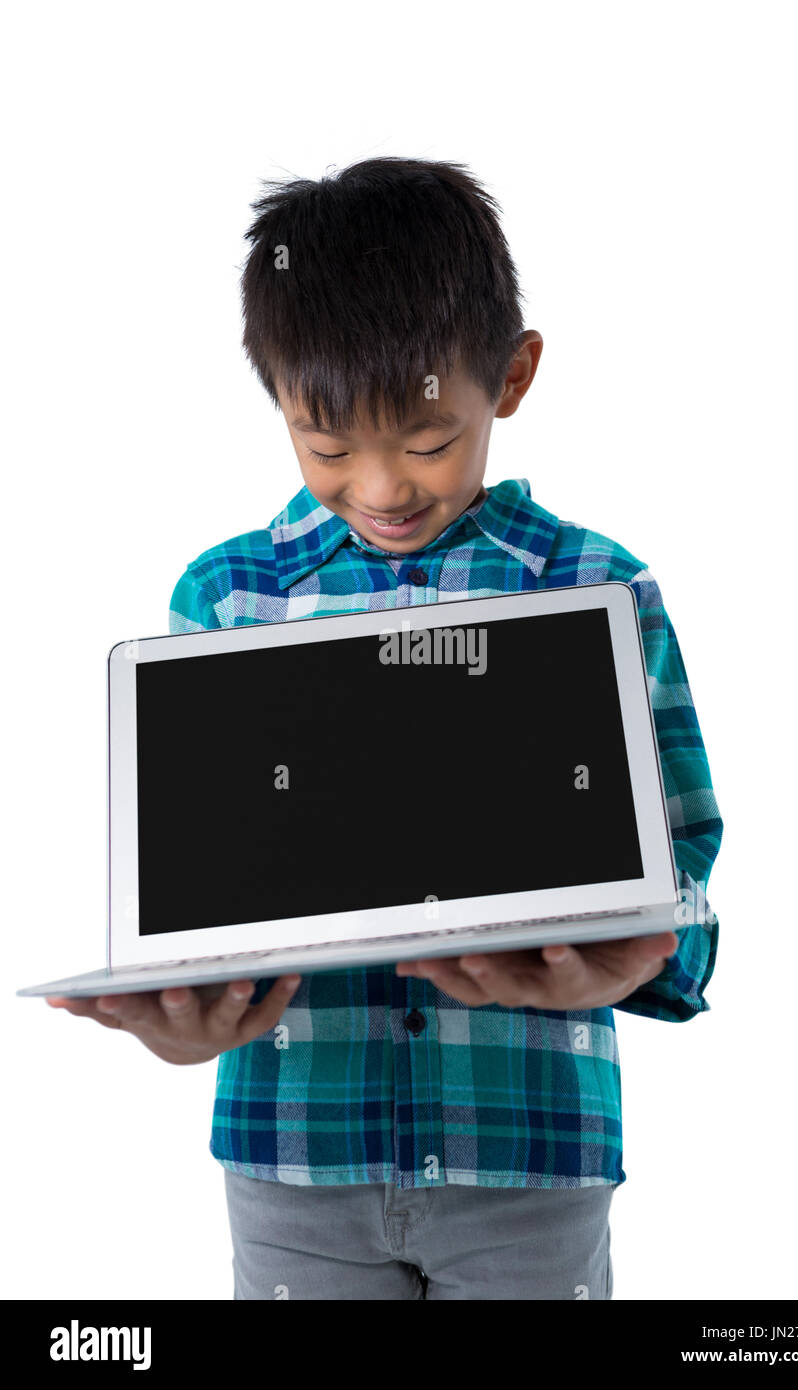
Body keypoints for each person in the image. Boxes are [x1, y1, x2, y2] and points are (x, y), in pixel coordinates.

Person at [48, 157, 723, 1300]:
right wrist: (176, 1016)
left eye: (423, 441)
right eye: (325, 449)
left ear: (509, 378)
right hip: (293, 1156)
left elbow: (685, 873)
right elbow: (195, 893)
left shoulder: (595, 587)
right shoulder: (226, 596)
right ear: (277, 405)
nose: (380, 486)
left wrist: (635, 963)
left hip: (529, 1152)